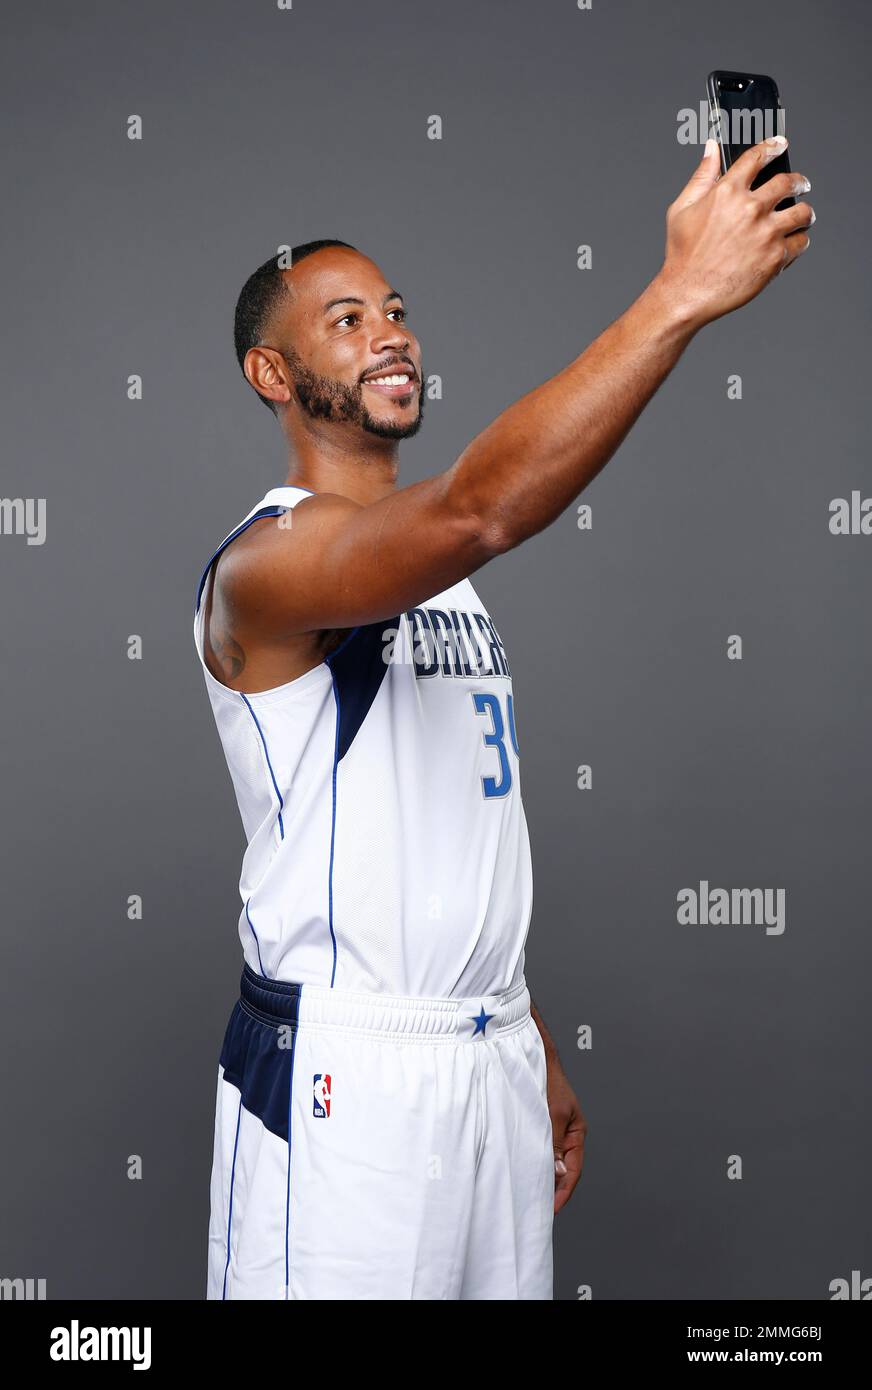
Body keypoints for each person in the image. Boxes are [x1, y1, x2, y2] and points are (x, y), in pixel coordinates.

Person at [193, 134, 813, 1300]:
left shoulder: (444, 583)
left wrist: (515, 1027)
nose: (390, 333)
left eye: (394, 309)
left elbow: (442, 825)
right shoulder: (260, 571)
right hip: (343, 1076)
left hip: (482, 1050)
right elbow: (479, 510)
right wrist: (677, 294)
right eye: (344, 320)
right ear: (271, 375)